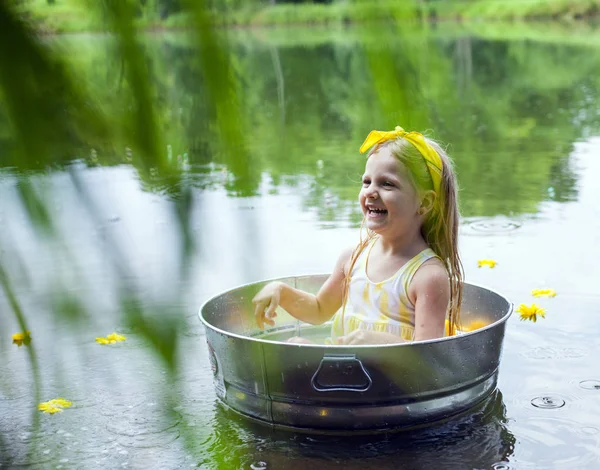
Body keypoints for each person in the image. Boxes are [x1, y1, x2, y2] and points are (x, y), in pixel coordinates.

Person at [252, 126, 463, 345]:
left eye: (387, 184)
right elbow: (319, 310)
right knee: (296, 344)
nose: (370, 191)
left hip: (396, 378)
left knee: (299, 346)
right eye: (367, 181)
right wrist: (281, 291)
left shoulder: (428, 276)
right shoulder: (353, 259)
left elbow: (429, 357)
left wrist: (375, 342)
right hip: (342, 368)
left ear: (425, 202)